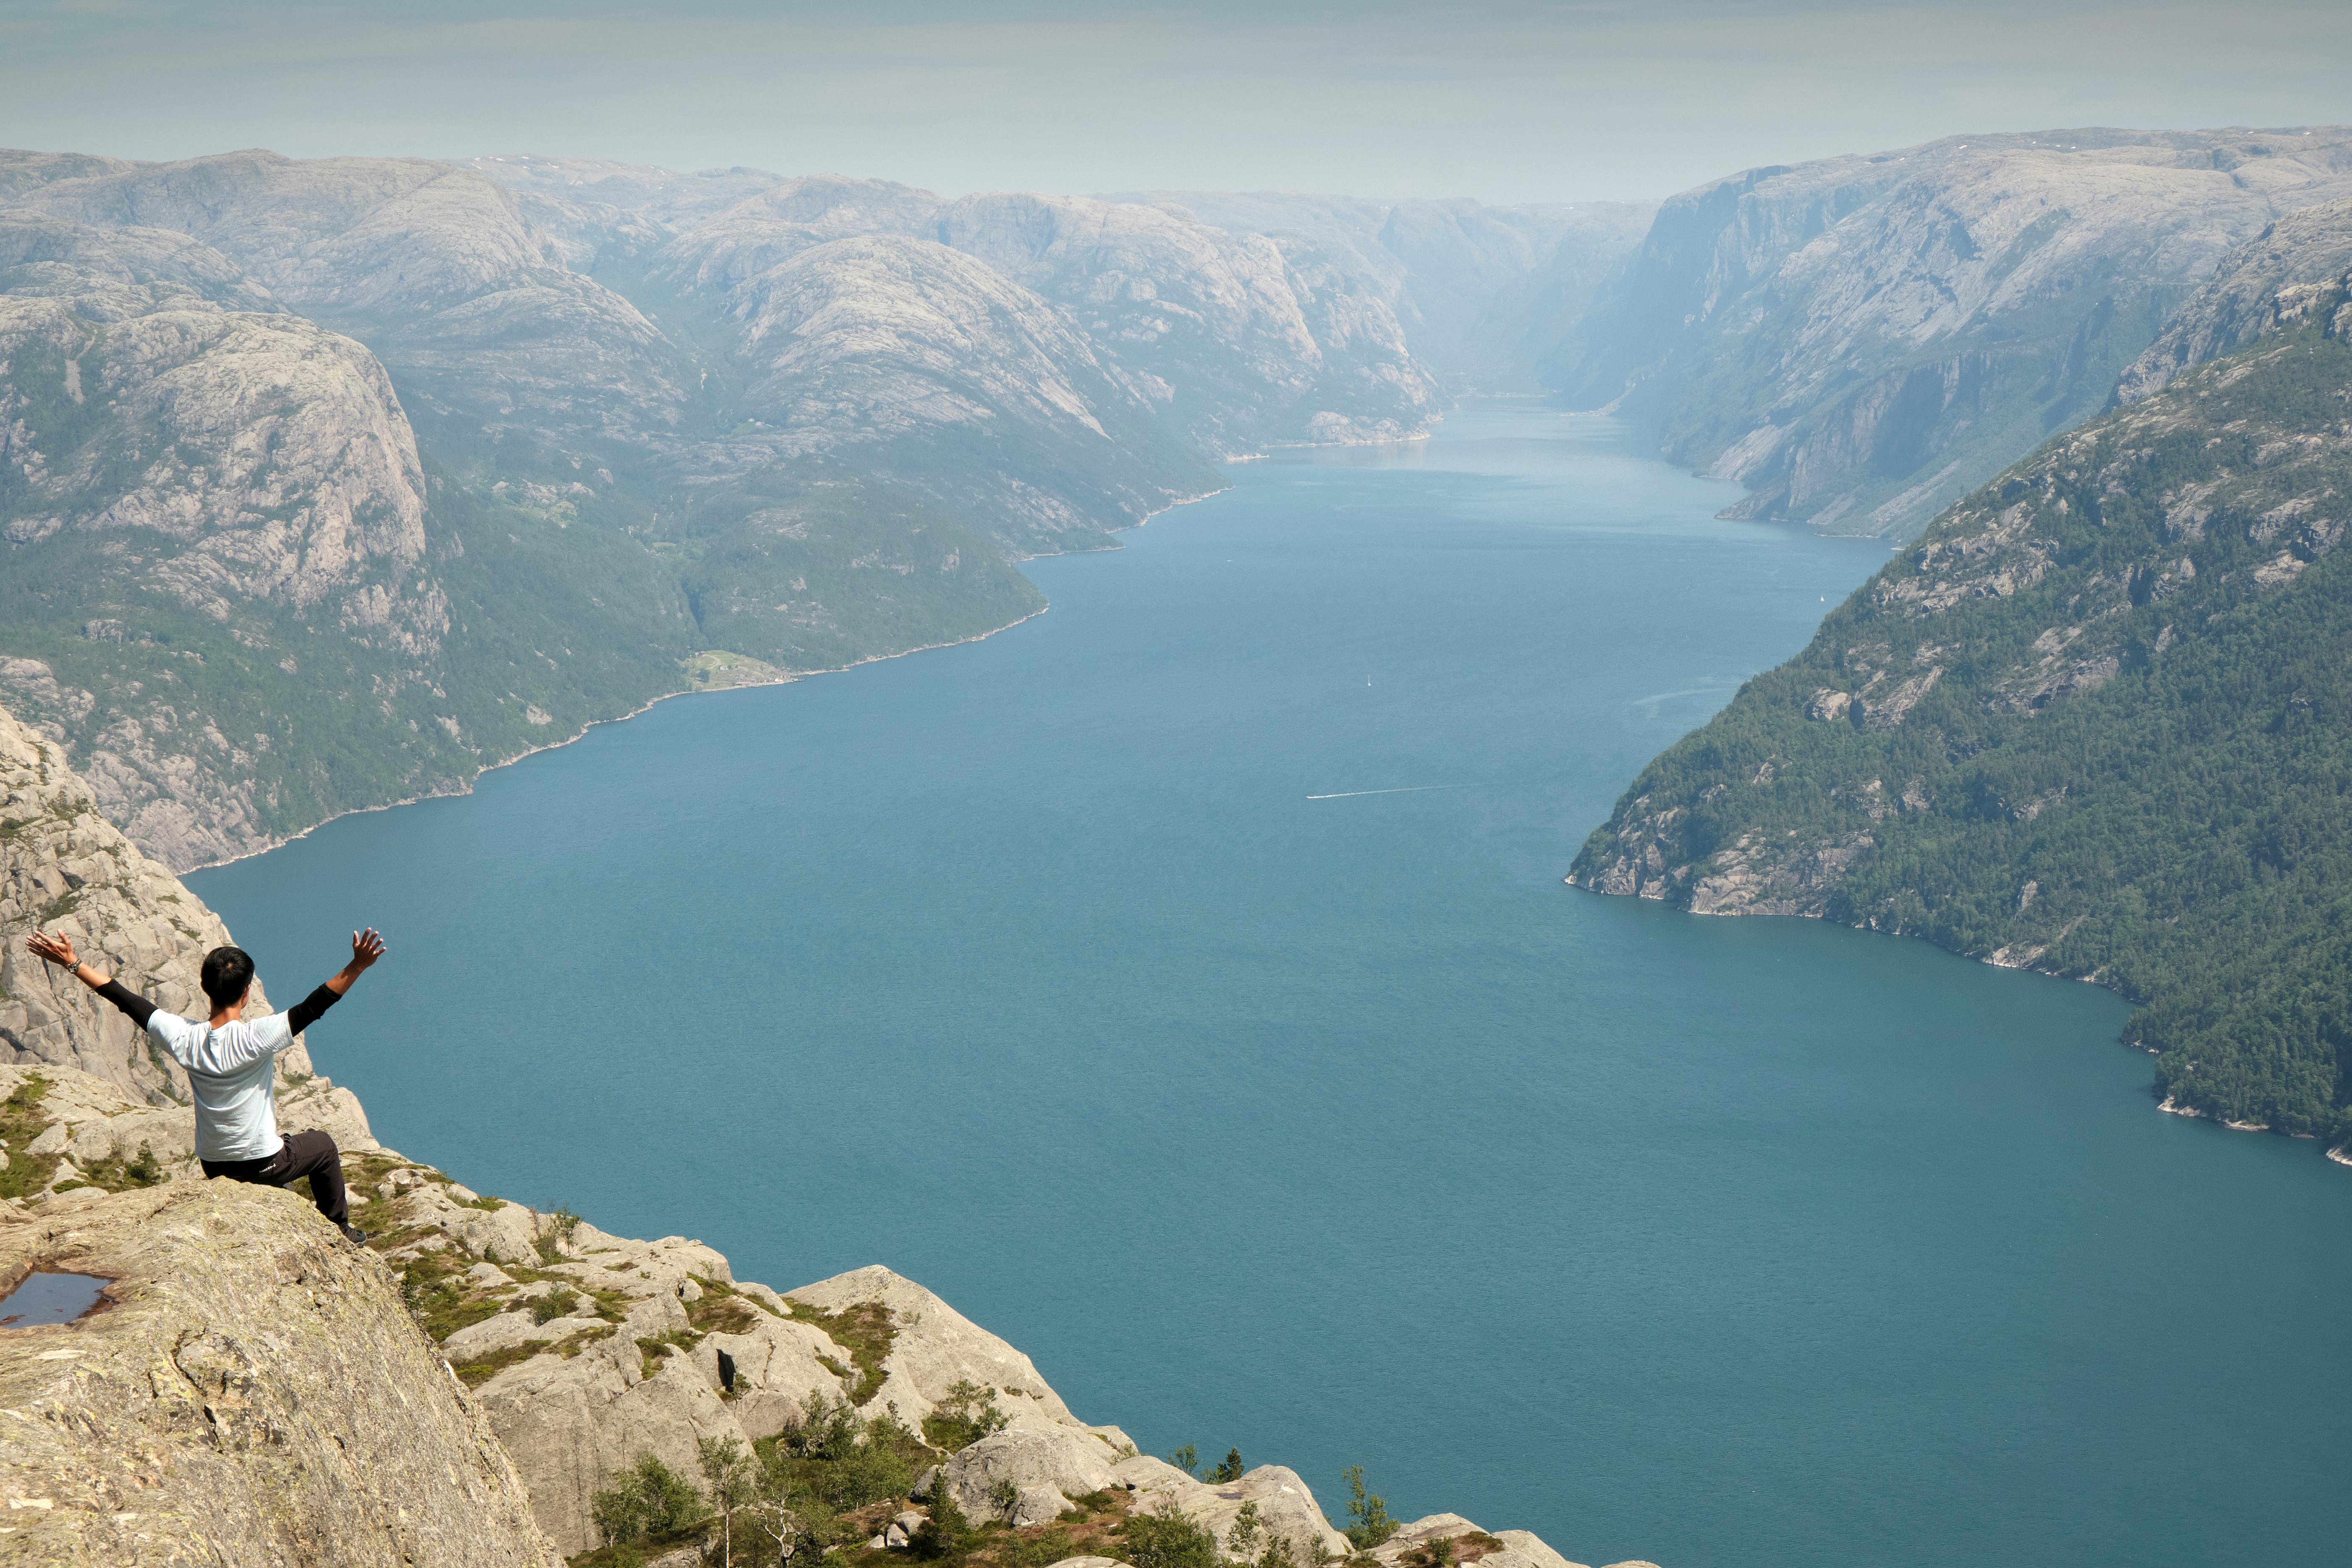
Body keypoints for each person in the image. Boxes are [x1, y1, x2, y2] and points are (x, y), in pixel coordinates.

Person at [23, 925, 387, 1245]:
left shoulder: (183, 1038)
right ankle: (339, 1229)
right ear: (247, 992)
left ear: (205, 989)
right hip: (262, 1162)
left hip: (214, 1165)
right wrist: (358, 965)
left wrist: (72, 962)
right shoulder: (258, 1037)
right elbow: (316, 1004)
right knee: (322, 1145)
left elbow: (125, 1000)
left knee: (285, 1148)